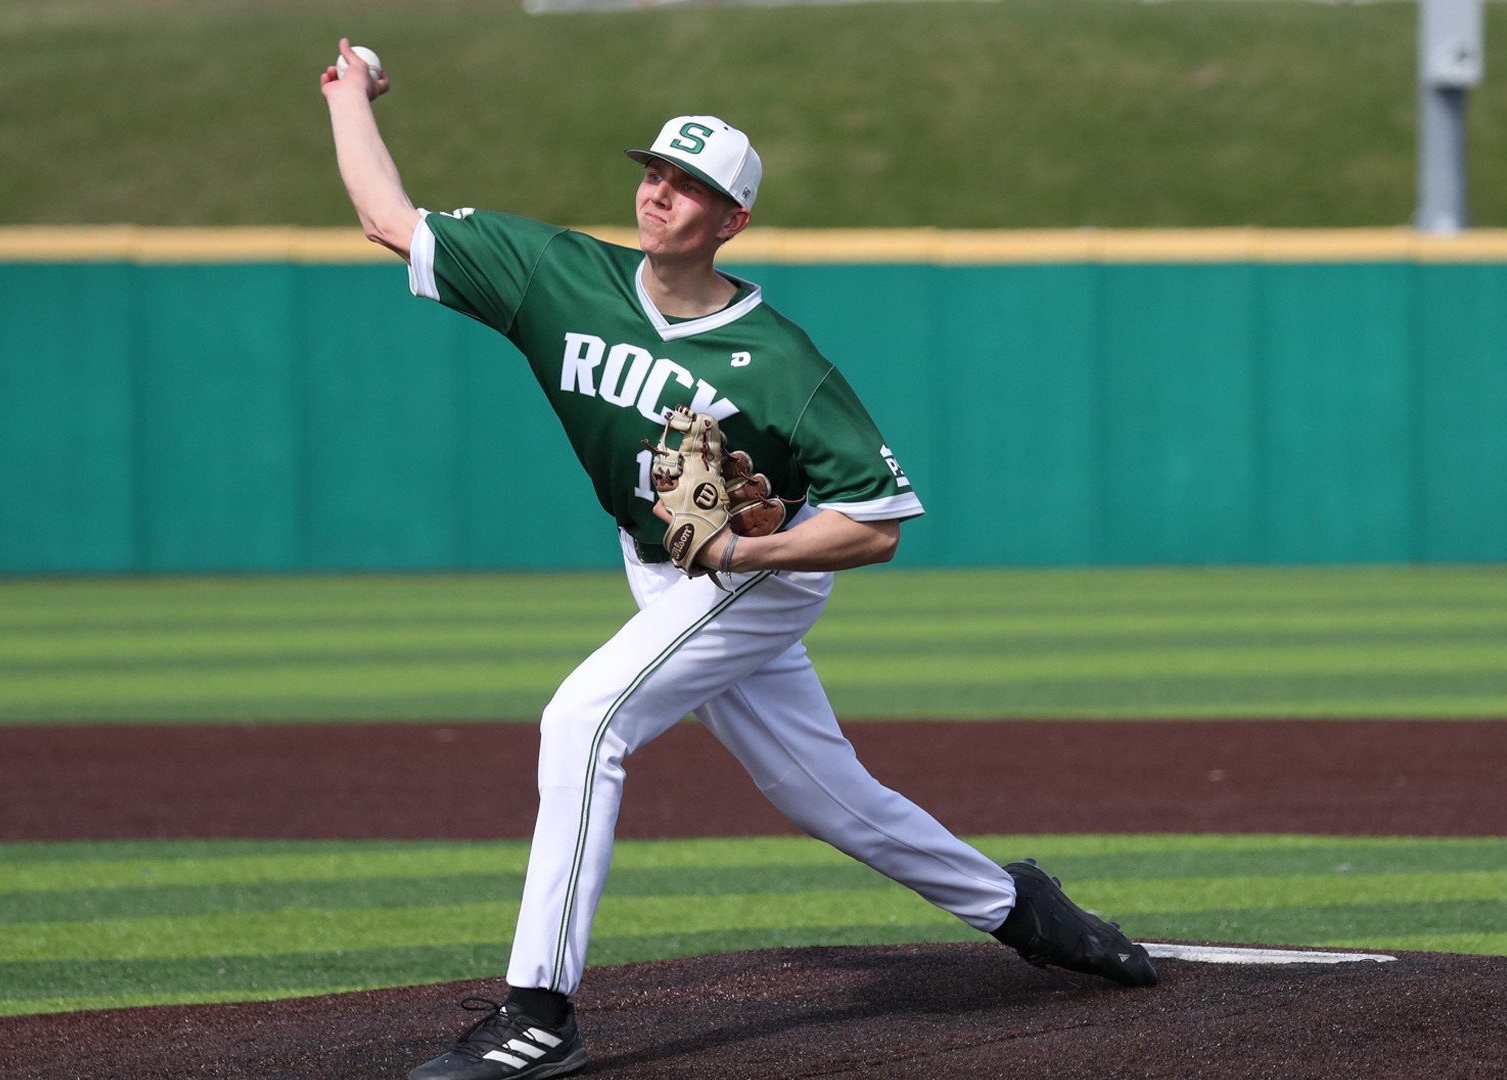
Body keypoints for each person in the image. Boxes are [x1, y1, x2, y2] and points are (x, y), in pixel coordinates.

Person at [320, 40, 1156, 1080]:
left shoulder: (783, 364)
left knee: (585, 719)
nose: (662, 194)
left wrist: (748, 545)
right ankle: (1024, 910)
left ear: (733, 220)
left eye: (693, 186)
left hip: (756, 579)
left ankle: (537, 1013)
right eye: (657, 172)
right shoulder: (559, 276)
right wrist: (349, 95)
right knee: (825, 796)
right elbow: (387, 220)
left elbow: (877, 524)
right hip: (661, 567)